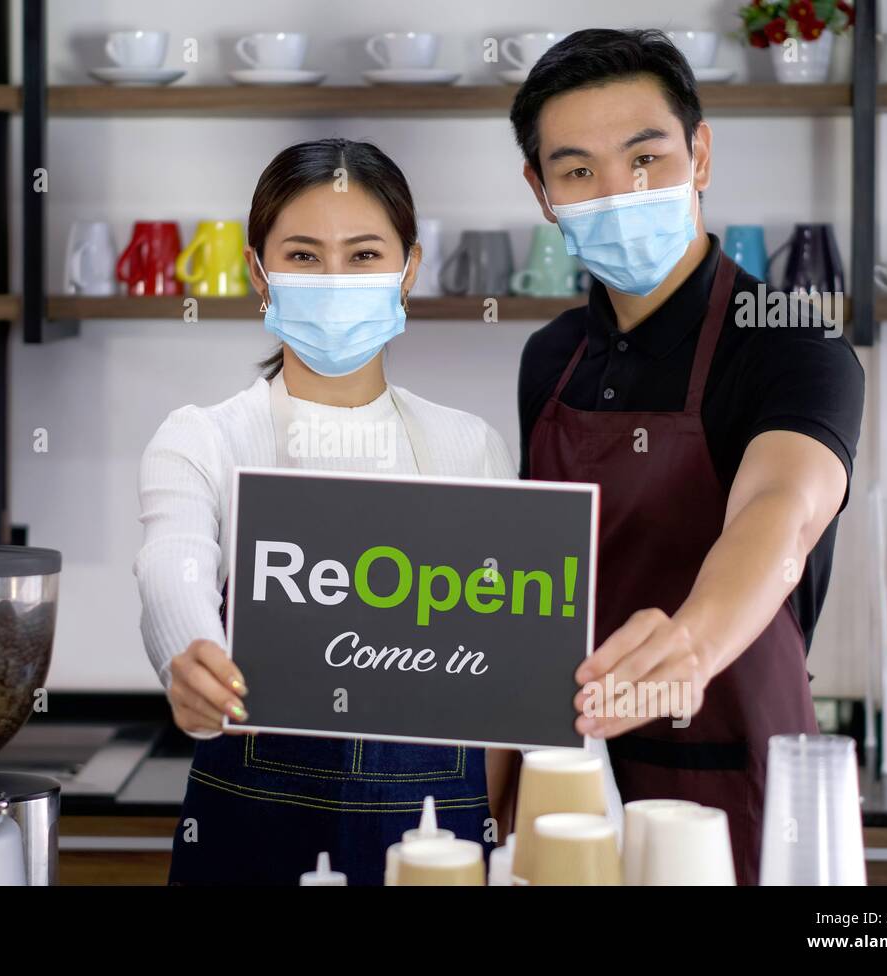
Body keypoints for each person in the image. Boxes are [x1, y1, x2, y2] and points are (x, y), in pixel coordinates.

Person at [506, 29, 865, 883]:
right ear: (543, 192)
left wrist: (694, 648)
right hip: (572, 777)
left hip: (733, 781)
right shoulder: (548, 359)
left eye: (646, 157)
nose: (617, 191)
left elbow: (782, 510)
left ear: (699, 155)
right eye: (578, 171)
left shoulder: (791, 341)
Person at [134, 138, 522, 885]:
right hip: (251, 830)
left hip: (437, 832)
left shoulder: (468, 447)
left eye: (365, 255)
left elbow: (501, 685)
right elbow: (170, 562)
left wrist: (491, 831)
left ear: (409, 269)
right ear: (259, 272)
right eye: (304, 257)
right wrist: (190, 657)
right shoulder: (203, 438)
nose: (334, 279)